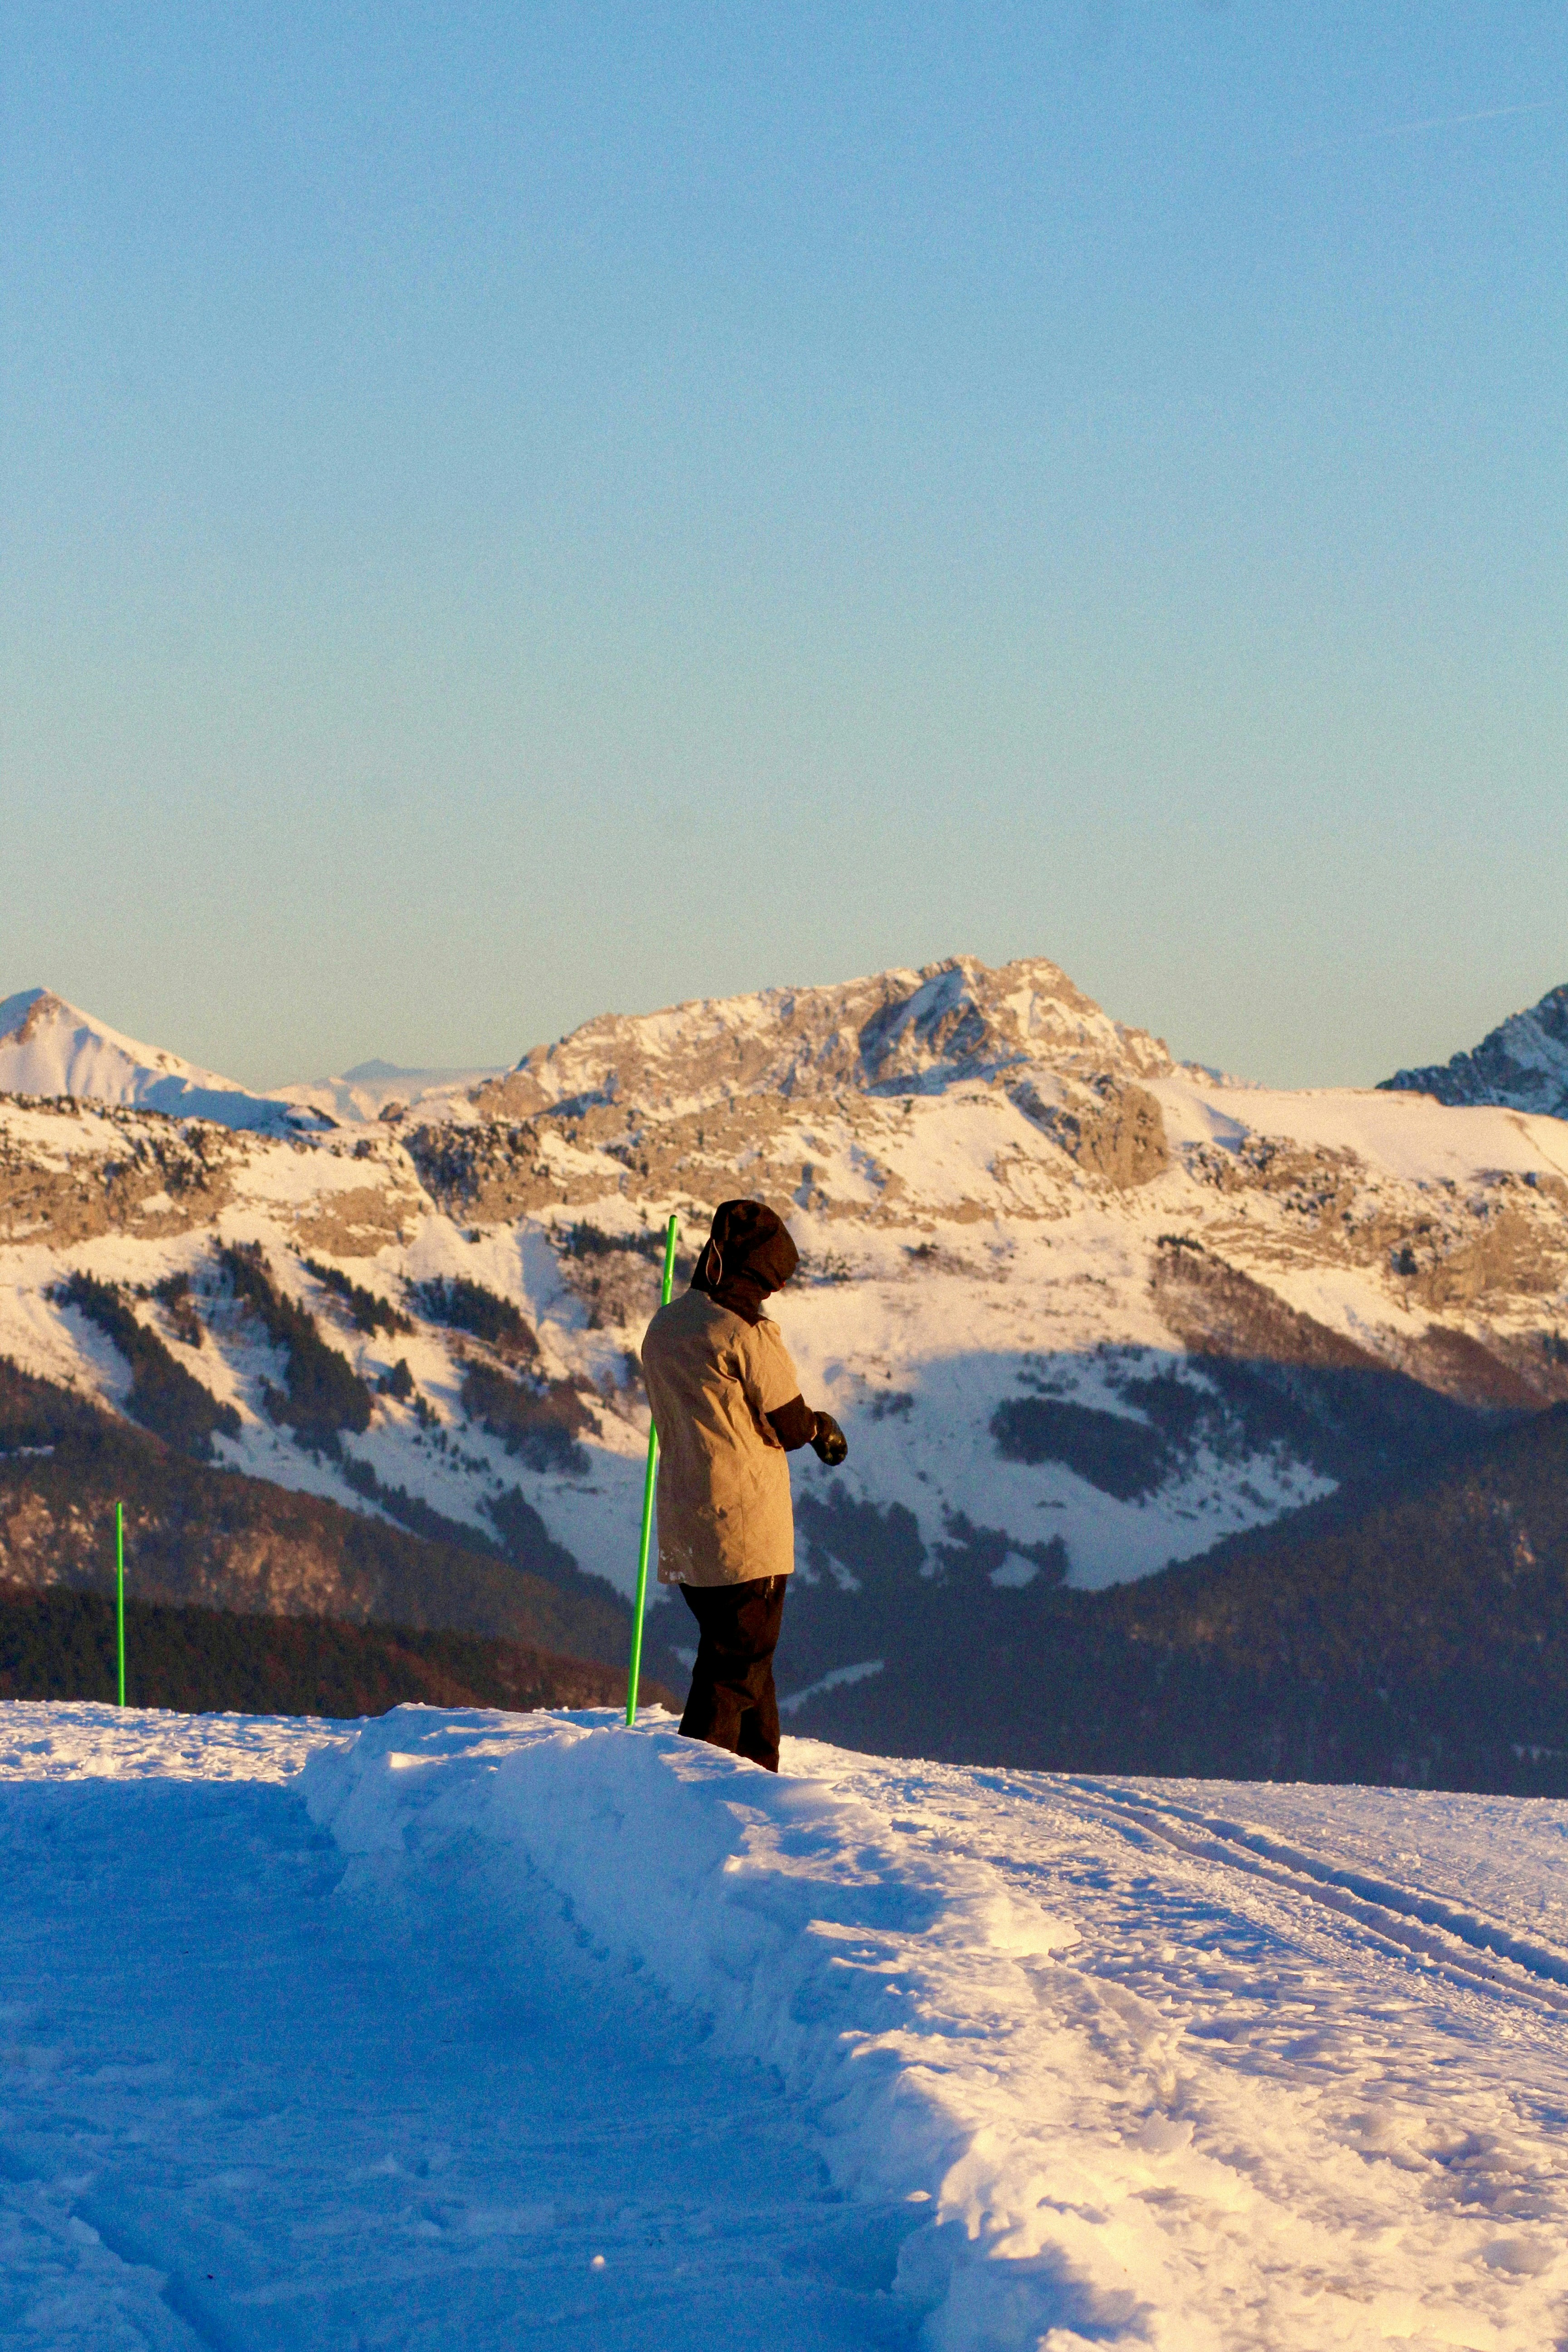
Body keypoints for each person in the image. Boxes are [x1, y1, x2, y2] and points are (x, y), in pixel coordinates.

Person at [640, 1197, 847, 1772]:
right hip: (745, 1529)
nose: (774, 1292)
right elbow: (789, 1422)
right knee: (733, 1668)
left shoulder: (664, 1326)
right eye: (771, 1279)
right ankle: (693, 1787)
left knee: (749, 1660)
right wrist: (821, 1428)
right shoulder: (745, 1335)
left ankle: (759, 1779)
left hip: (686, 1522)